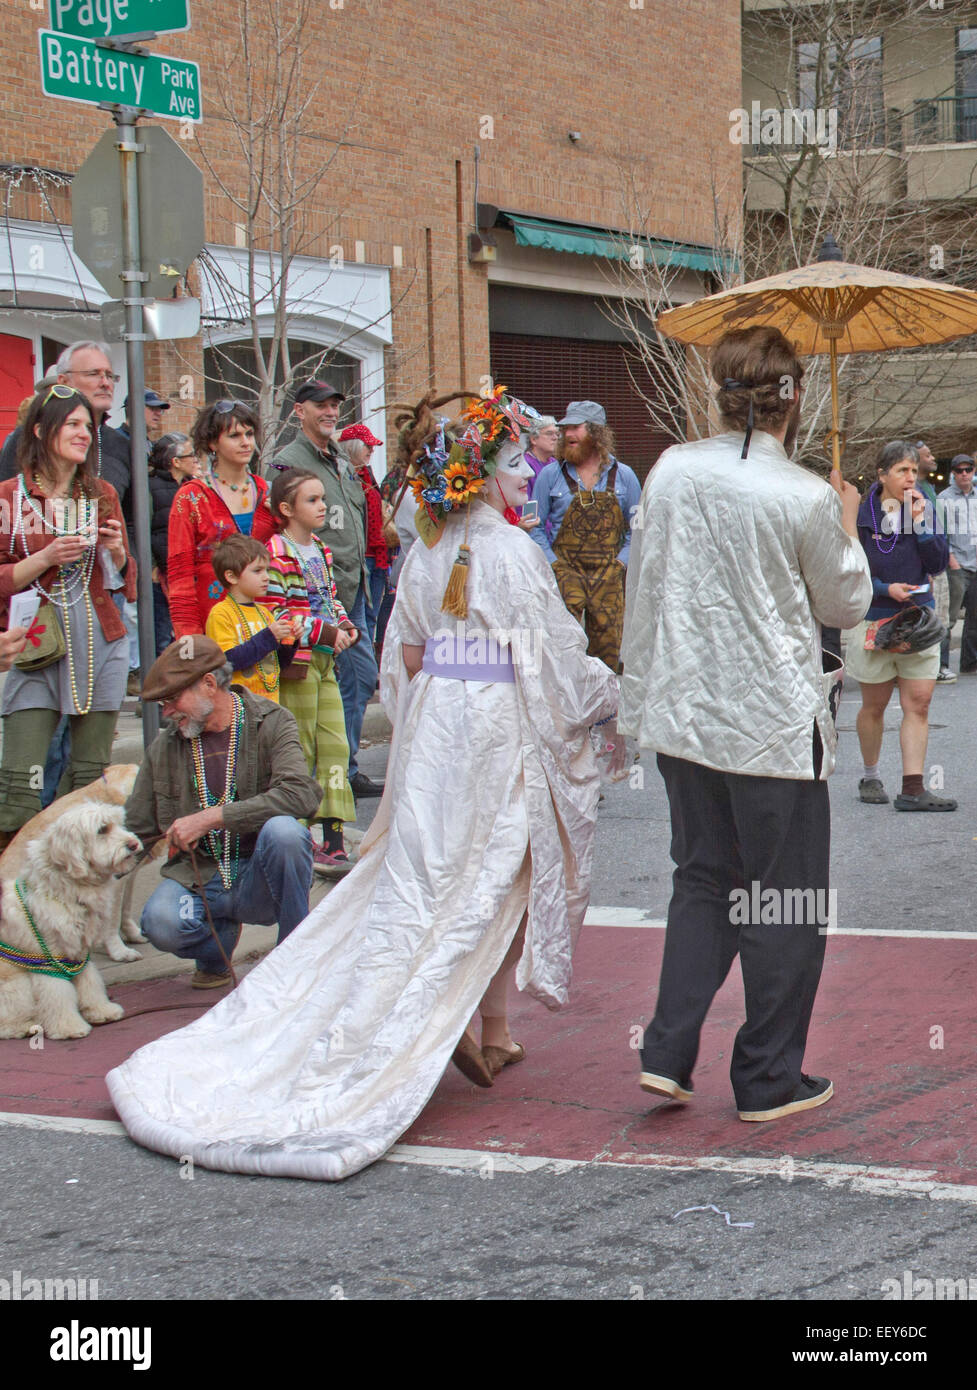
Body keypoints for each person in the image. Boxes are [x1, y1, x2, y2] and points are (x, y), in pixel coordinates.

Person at [106, 389, 620, 1181]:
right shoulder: (512, 554)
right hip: (491, 726)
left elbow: (402, 659)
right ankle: (468, 1019)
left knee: (428, 872)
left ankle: (490, 1028)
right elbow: (544, 658)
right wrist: (607, 694)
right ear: (478, 475)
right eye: (514, 461)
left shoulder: (425, 552)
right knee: (499, 867)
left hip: (440, 728)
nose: (528, 474)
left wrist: (429, 709)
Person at [620, 325, 872, 1123]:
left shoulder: (669, 470)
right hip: (770, 723)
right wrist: (847, 523)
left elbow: (648, 582)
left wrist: (642, 693)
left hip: (688, 713)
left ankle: (666, 1051)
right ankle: (765, 1077)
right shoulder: (800, 493)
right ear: (790, 398)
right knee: (784, 899)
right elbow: (844, 603)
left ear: (718, 392)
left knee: (702, 881)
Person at [123, 636, 322, 989]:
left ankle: (293, 960)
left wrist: (212, 817)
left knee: (286, 833)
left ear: (209, 684)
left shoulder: (271, 721)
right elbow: (136, 830)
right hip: (200, 877)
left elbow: (301, 795)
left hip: (260, 875)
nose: (166, 710)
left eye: (173, 699)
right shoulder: (165, 746)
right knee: (160, 922)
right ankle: (215, 955)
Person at [0, 386, 134, 852]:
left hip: (101, 639)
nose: (84, 433)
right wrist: (47, 557)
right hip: (36, 642)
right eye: (72, 424)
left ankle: (65, 888)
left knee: (86, 783)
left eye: (87, 425)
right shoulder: (10, 498)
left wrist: (117, 551)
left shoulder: (102, 494)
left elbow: (123, 582)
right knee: (18, 788)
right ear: (40, 430)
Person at [271, 381, 382, 798]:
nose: (331, 411)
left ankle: (340, 768)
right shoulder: (289, 462)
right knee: (338, 681)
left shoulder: (339, 457)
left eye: (335, 404)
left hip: (352, 587)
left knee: (355, 678)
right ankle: (334, 773)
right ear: (299, 411)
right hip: (311, 592)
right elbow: (278, 527)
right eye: (321, 405)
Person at [263, 469, 358, 877]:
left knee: (335, 744)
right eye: (313, 500)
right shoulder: (275, 552)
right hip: (297, 665)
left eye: (323, 499)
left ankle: (333, 836)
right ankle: (298, 835)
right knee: (299, 747)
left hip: (325, 659)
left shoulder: (320, 548)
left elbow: (328, 598)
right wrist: (326, 632)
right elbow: (278, 612)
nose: (323, 506)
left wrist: (345, 624)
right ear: (286, 510)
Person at [849, 441, 954, 811]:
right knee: (874, 706)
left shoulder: (923, 506)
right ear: (882, 475)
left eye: (914, 471)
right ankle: (871, 774)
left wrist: (922, 522)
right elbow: (851, 570)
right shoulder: (862, 514)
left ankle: (913, 788)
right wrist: (884, 589)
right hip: (875, 617)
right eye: (902, 471)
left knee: (919, 704)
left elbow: (938, 562)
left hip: (918, 618)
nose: (911, 478)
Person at [530, 400, 642, 671]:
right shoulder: (549, 476)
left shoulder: (624, 476)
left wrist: (620, 563)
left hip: (609, 577)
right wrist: (553, 565)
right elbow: (533, 525)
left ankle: (606, 711)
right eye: (565, 428)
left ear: (597, 432)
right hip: (565, 575)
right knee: (560, 650)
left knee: (609, 655)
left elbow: (638, 529)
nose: (568, 434)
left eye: (576, 428)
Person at [167, 400, 275, 638]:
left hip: (264, 621)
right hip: (213, 623)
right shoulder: (191, 496)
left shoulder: (264, 492)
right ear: (213, 442)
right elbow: (180, 576)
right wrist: (188, 636)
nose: (246, 442)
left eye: (249, 433)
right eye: (234, 435)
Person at [204, 534, 297, 702]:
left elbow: (278, 665)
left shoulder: (265, 613)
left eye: (267, 570)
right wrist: (269, 636)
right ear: (231, 576)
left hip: (270, 703)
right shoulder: (220, 613)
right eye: (257, 571)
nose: (266, 577)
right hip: (239, 706)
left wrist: (290, 641)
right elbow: (228, 661)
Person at [148, 432, 202, 655]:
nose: (196, 459)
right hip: (161, 573)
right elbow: (142, 528)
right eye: (192, 455)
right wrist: (152, 564)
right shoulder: (149, 488)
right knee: (162, 634)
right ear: (176, 462)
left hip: (190, 572)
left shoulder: (195, 488)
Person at [339, 423, 392, 646]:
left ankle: (369, 656)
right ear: (352, 448)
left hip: (377, 552)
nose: (371, 451)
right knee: (360, 616)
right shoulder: (343, 476)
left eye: (372, 447)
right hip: (360, 557)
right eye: (367, 446)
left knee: (373, 614)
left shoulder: (368, 475)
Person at [938, 454, 977, 678]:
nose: (964, 473)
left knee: (974, 617)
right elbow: (941, 534)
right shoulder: (943, 498)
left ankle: (970, 663)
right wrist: (951, 560)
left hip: (974, 562)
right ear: (953, 473)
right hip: (955, 564)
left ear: (973, 471)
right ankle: (942, 664)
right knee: (949, 618)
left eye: (968, 469)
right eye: (959, 470)